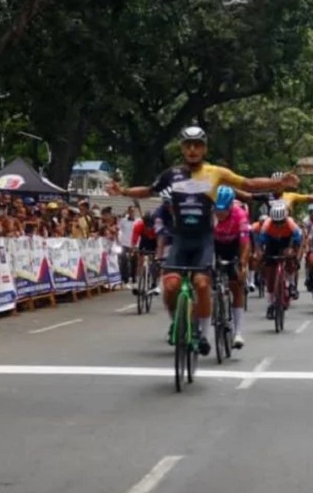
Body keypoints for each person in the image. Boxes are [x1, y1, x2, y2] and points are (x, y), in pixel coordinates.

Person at [107, 126, 296, 356]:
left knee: (203, 284)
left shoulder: (216, 172)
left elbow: (247, 184)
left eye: (198, 145)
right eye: (188, 145)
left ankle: (203, 334)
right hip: (180, 240)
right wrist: (123, 190)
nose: (193, 149)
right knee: (170, 287)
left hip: (205, 240)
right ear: (182, 148)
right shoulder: (172, 174)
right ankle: (179, 321)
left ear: (204, 148)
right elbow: (148, 191)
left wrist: (277, 183)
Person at [212, 185, 252, 349]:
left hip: (234, 246)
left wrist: (242, 264)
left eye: (223, 210)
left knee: (236, 286)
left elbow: (245, 244)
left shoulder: (240, 215)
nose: (219, 214)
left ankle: (238, 332)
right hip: (215, 245)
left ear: (230, 207)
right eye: (217, 210)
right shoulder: (210, 215)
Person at [256, 201, 303, 318]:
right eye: (276, 222)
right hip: (272, 242)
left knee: (290, 258)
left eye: (281, 222)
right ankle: (271, 303)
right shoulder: (267, 225)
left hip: (287, 241)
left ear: (285, 218)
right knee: (270, 274)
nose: (278, 225)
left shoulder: (291, 224)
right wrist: (260, 254)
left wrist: (294, 253)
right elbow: (260, 243)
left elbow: (298, 241)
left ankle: (291, 283)